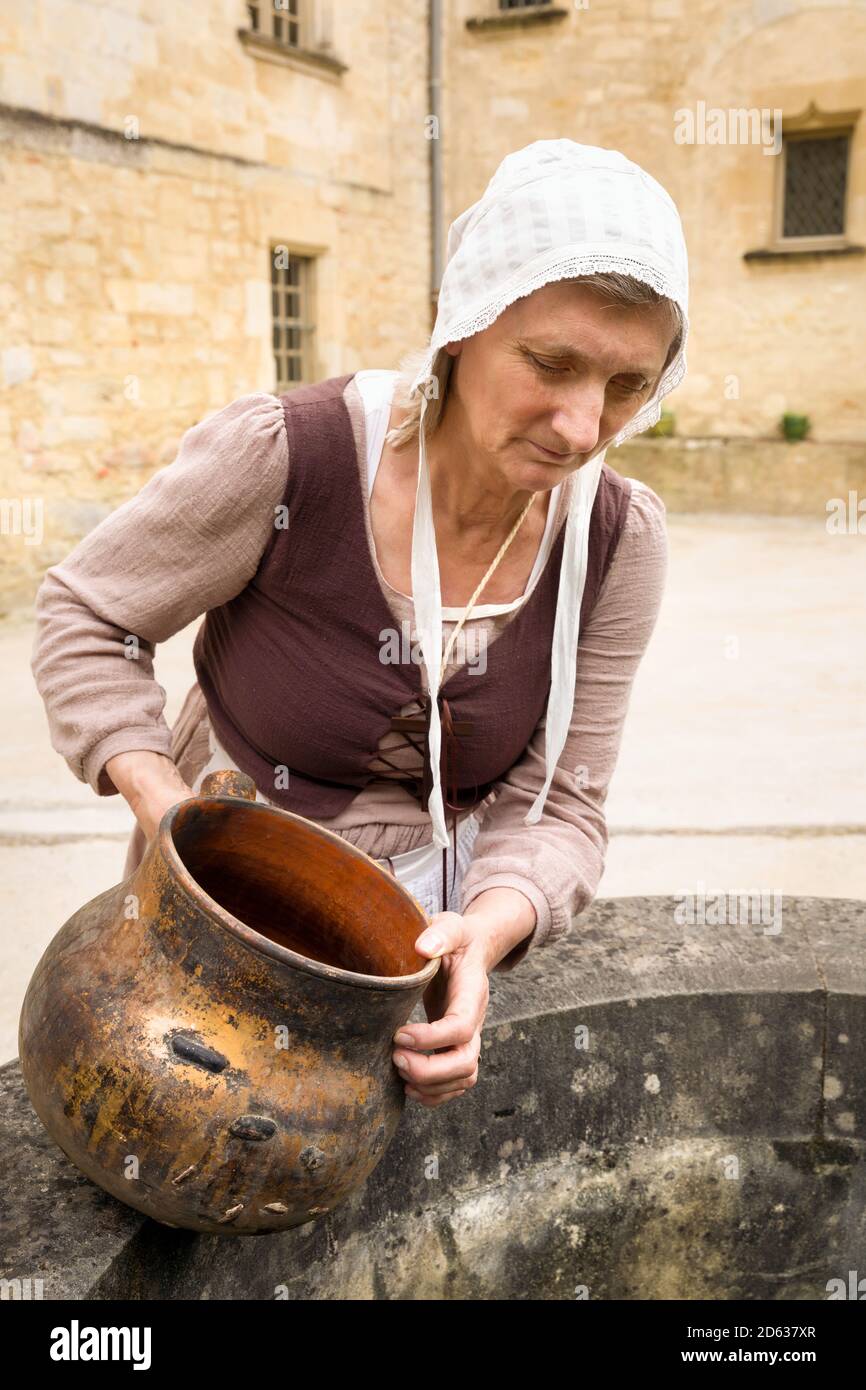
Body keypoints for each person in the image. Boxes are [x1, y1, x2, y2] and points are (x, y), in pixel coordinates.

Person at [31, 138, 689, 1111]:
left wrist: (485, 933)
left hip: (426, 930)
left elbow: (563, 802)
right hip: (225, 896)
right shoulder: (288, 458)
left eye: (628, 385)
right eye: (549, 363)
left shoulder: (614, 539)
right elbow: (88, 614)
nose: (582, 427)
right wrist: (171, 812)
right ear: (458, 325)